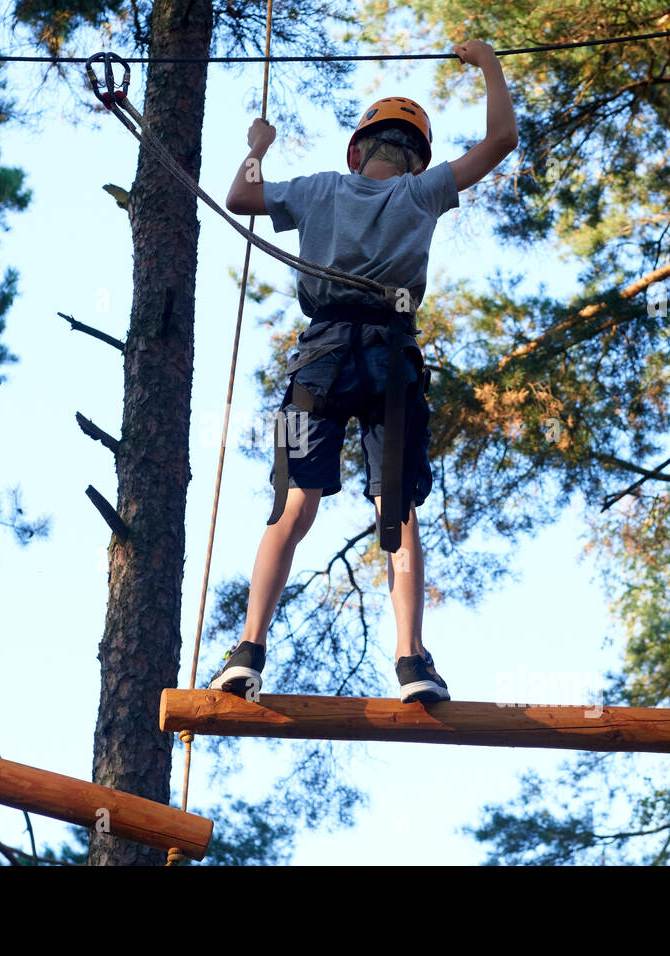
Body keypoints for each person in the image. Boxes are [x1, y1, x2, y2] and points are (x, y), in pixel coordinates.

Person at [210, 40, 518, 704]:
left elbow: (240, 195)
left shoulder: (320, 189)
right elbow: (501, 140)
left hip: (318, 363)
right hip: (391, 366)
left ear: (357, 151)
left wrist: (259, 143)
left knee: (293, 505)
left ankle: (248, 648)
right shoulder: (424, 192)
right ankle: (411, 662)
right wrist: (489, 63)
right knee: (397, 510)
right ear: (418, 157)